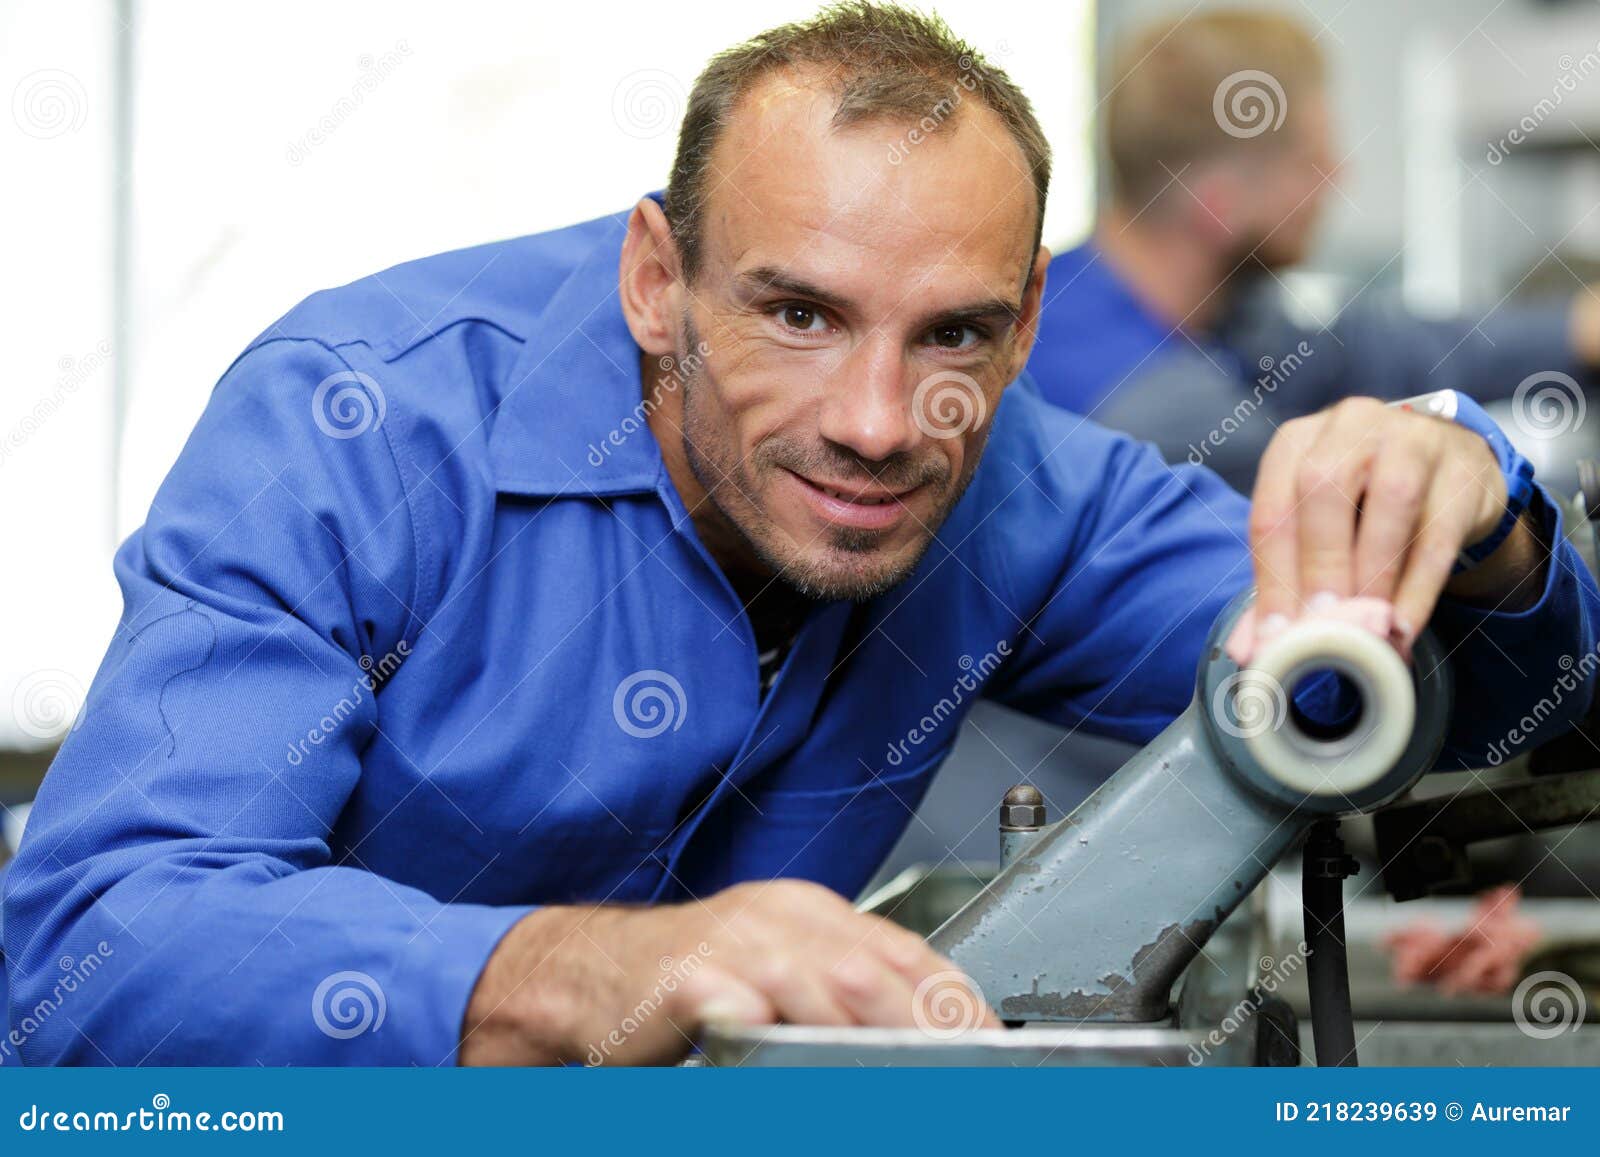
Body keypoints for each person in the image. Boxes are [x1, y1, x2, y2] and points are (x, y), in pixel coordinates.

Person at [4, 2, 1596, 1068]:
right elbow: (96, 936)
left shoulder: (1025, 487)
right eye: (797, 313)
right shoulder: (357, 429)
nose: (882, 421)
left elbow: (1471, 705)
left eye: (956, 335)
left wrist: (1481, 530)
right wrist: (570, 970)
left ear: (1032, 318)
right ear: (655, 281)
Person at [1028, 8, 1600, 492]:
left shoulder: (1215, 316)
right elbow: (1372, 501)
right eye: (1311, 161)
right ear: (1217, 206)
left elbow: (1377, 350)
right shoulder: (1145, 414)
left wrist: (1578, 328)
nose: (1337, 177)